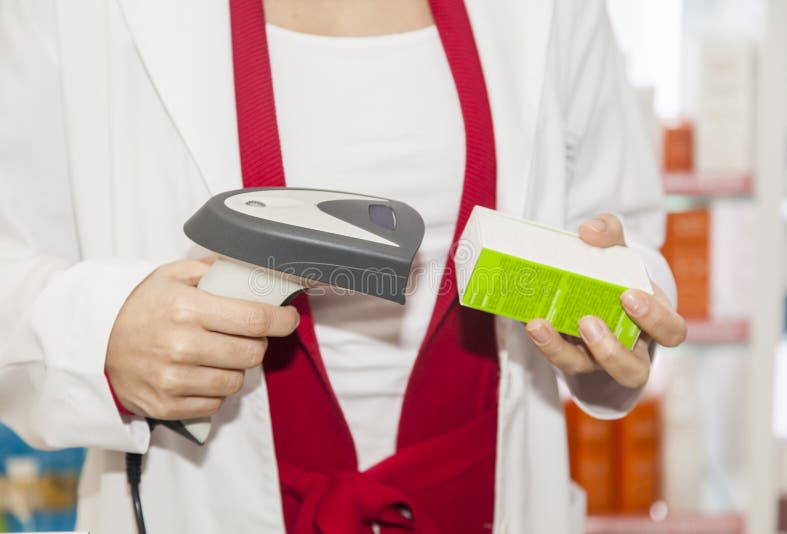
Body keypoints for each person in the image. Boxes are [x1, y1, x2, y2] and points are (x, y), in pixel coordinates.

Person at [0, 0, 687, 533]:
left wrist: (617, 325)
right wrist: (103, 334)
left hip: (494, 498)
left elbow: (621, 225)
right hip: (199, 499)